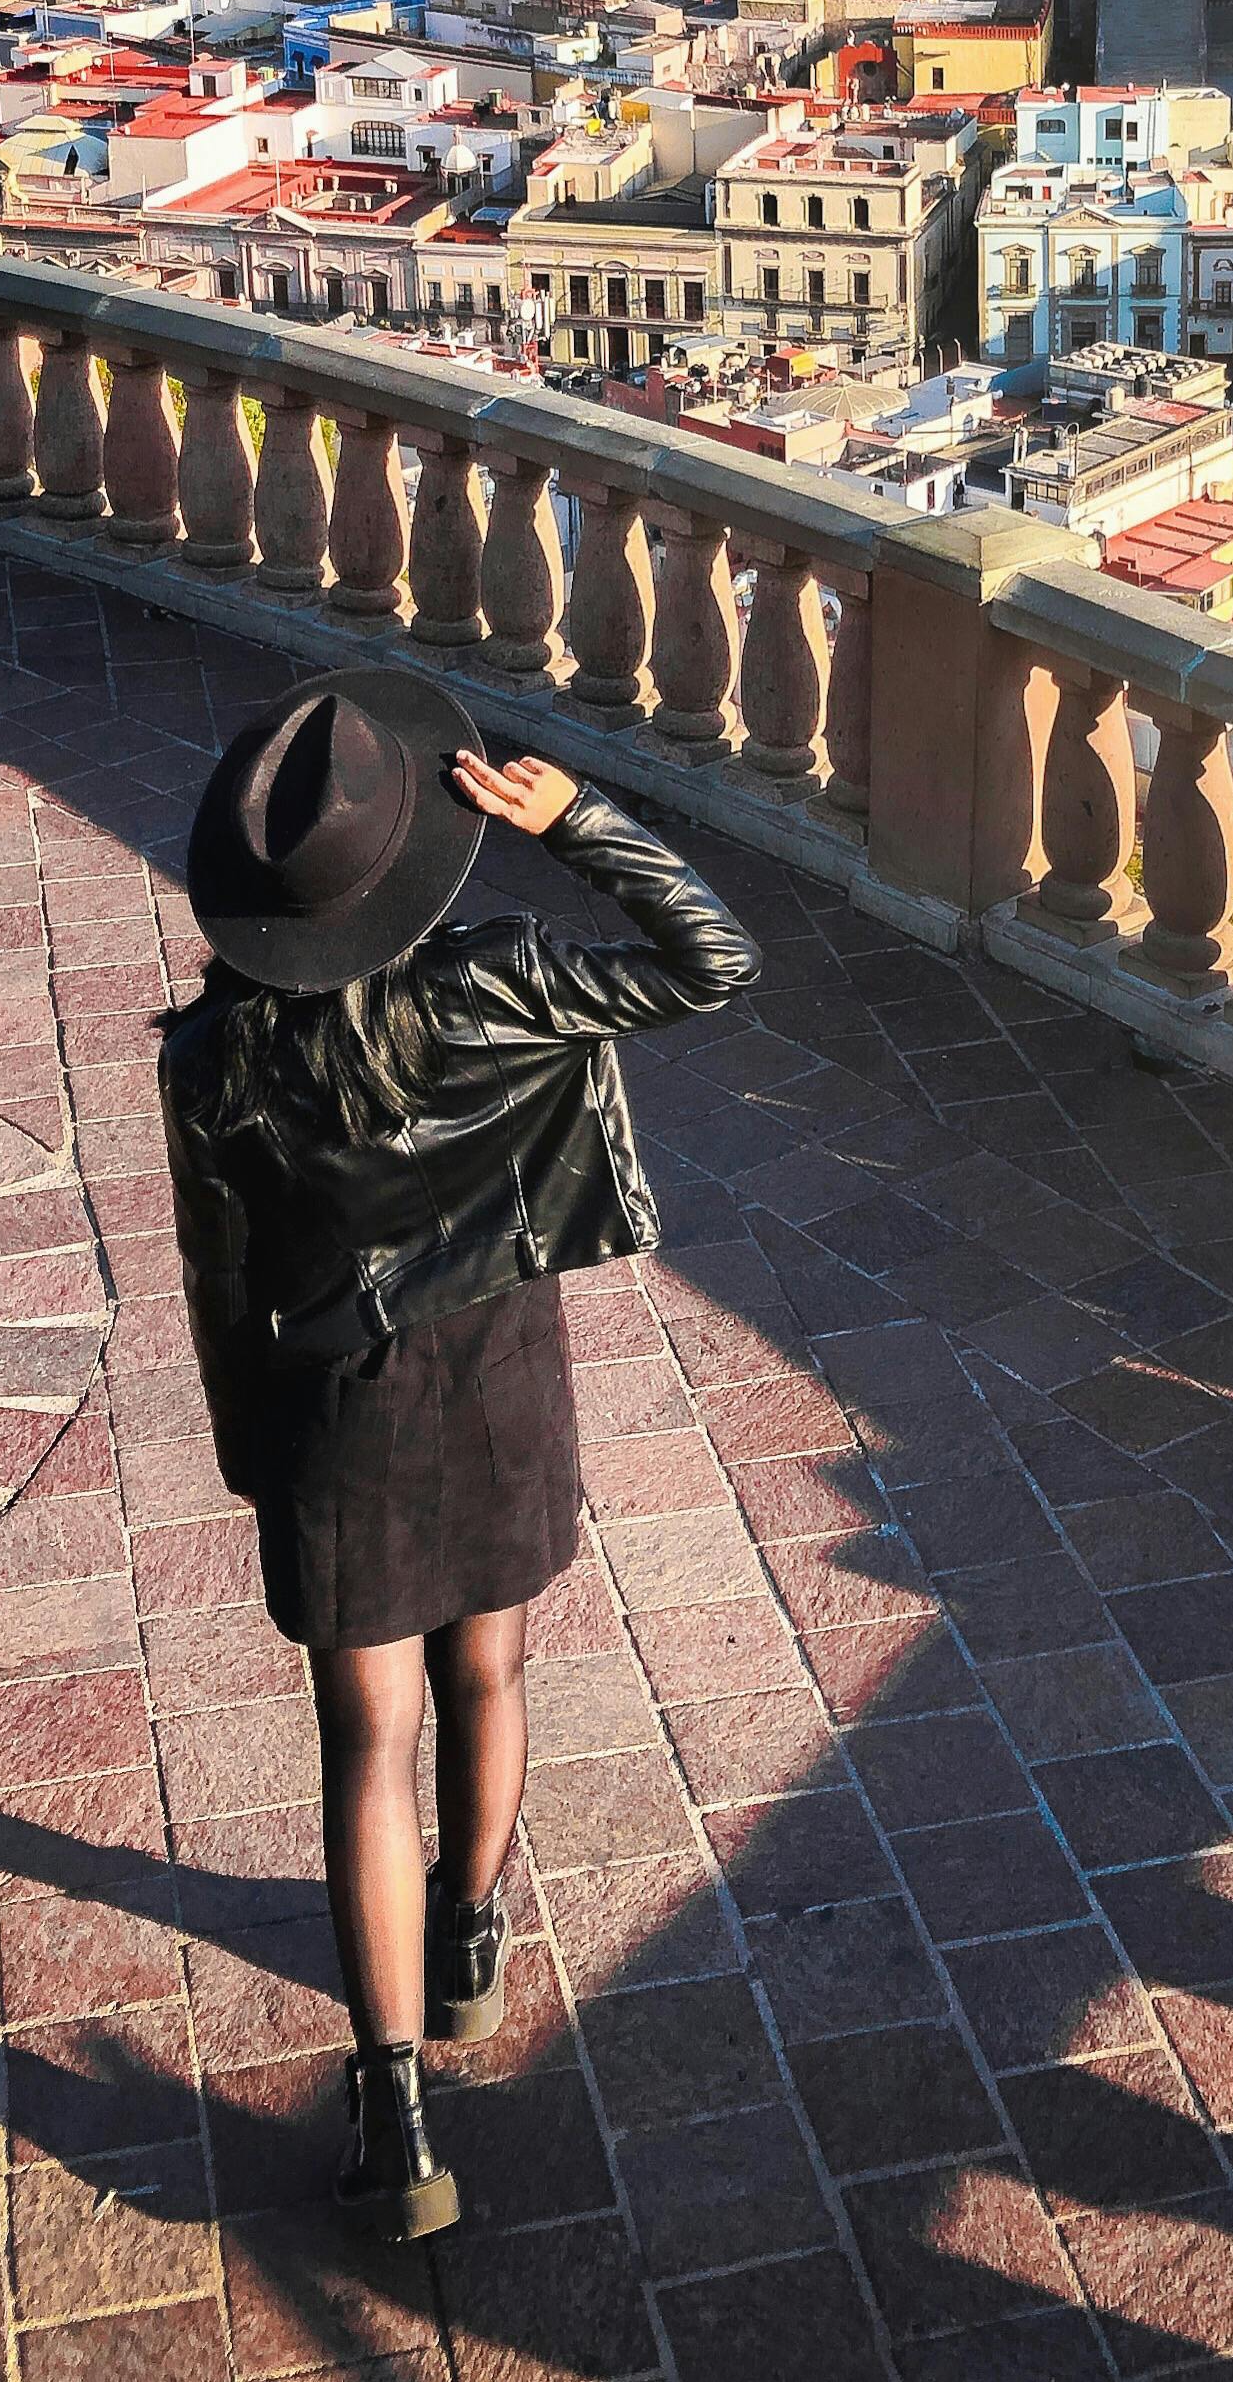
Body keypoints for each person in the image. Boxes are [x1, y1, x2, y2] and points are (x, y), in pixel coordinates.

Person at [158, 666, 762, 2241]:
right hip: (499, 1379)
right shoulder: (493, 986)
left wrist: (254, 1462)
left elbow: (221, 1291)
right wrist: (585, 826)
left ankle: (394, 2115)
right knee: (487, 1676)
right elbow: (718, 958)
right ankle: (474, 1947)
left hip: (333, 1416)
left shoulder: (215, 1059)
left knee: (367, 1748)